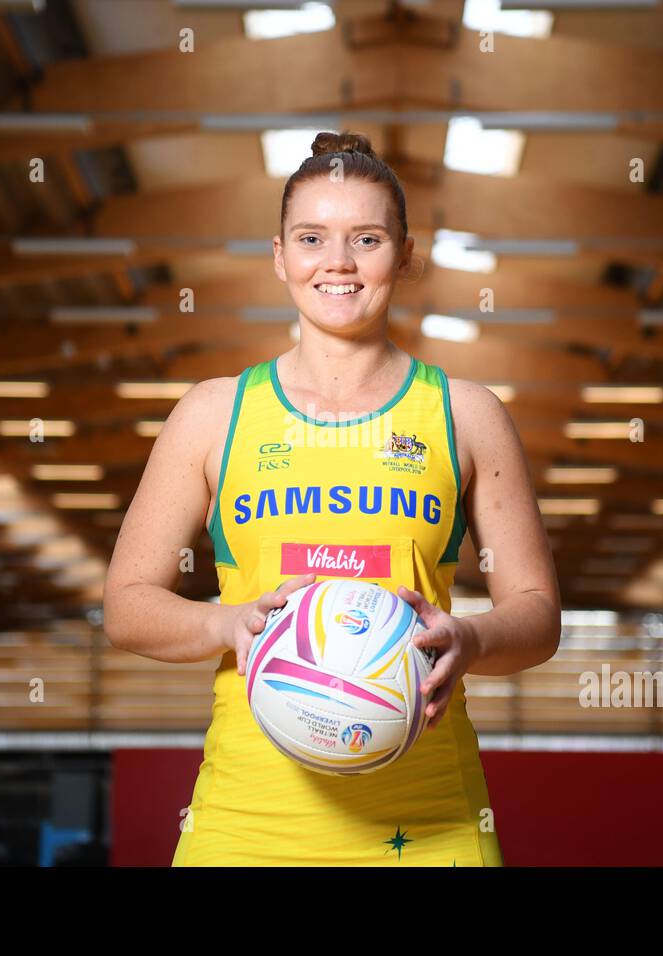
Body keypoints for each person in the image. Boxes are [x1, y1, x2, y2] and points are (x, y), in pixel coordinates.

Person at [105, 130, 560, 866]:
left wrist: (471, 639)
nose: (338, 263)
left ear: (406, 255)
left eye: (368, 239)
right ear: (280, 254)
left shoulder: (465, 414)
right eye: (312, 237)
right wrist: (227, 624)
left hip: (429, 821)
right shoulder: (215, 413)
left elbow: (538, 614)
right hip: (246, 822)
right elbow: (126, 604)